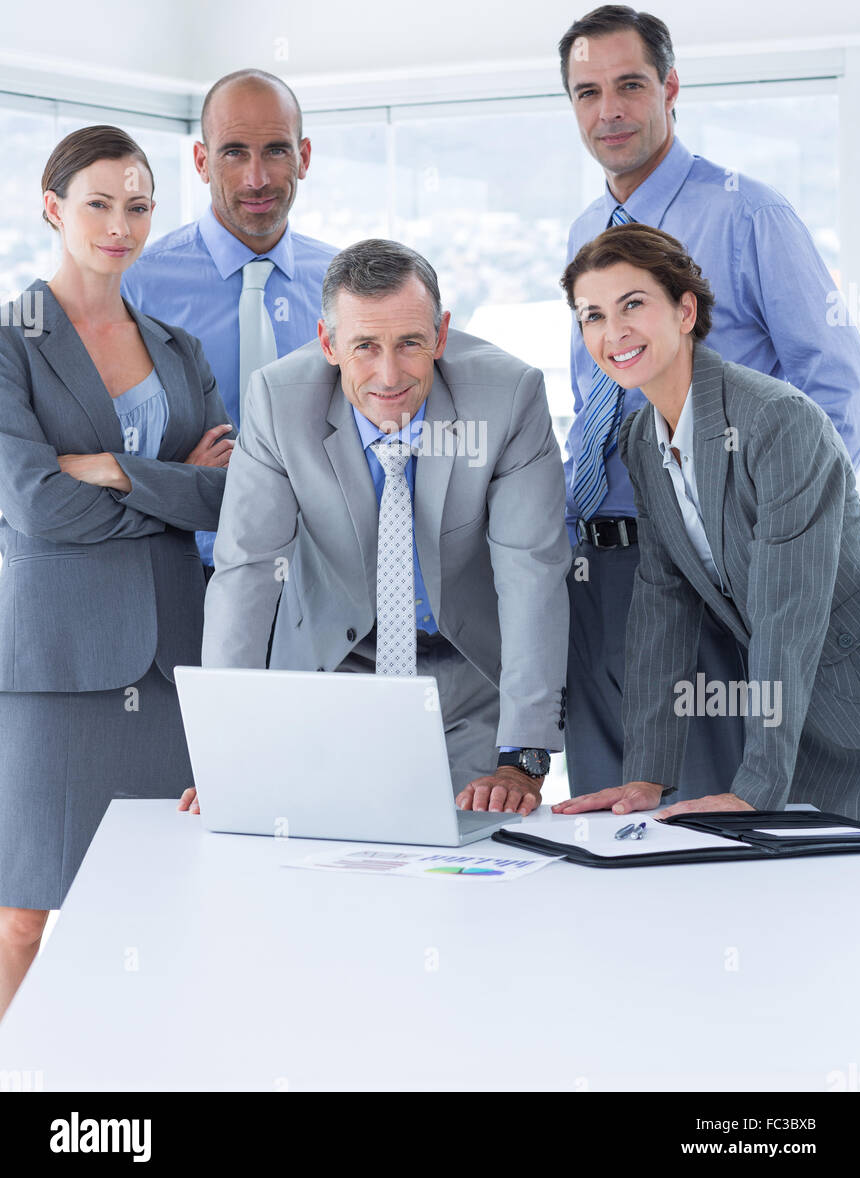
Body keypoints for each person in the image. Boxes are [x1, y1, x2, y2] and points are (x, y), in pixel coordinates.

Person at [558, 3, 860, 799]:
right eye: (588, 92)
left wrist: (777, 538)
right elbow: (596, 390)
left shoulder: (748, 212)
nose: (609, 110)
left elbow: (836, 383)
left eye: (630, 85)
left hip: (738, 569)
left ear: (670, 89)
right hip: (608, 559)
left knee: (732, 810)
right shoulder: (587, 231)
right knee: (622, 809)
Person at [180, 239, 572, 818]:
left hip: (466, 670)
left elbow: (531, 572)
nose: (389, 375)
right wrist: (225, 748)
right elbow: (248, 571)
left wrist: (524, 757)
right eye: (364, 346)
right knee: (311, 850)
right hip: (332, 664)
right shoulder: (279, 401)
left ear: (440, 335)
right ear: (328, 344)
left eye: (410, 343)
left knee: (466, 851)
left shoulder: (508, 398)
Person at [0, 126, 233, 1020]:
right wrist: (169, 485)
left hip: (171, 661)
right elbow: (35, 505)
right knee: (22, 914)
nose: (118, 226)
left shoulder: (177, 348)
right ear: (52, 208)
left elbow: (227, 498)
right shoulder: (12, 342)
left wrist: (103, 467)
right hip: (55, 663)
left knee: (161, 900)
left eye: (137, 207)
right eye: (97, 204)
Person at [553, 222, 860, 822]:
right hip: (793, 719)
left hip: (848, 695)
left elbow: (785, 614)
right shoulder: (641, 438)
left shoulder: (777, 420)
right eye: (592, 315)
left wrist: (757, 787)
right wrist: (646, 775)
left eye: (633, 305)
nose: (613, 332)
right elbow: (663, 600)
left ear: (685, 311)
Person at [122, 68, 336, 568]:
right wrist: (179, 478)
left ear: (304, 157)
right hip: (186, 563)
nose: (256, 179)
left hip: (319, 565)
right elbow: (106, 440)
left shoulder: (344, 284)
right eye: (234, 152)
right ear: (202, 161)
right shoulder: (137, 287)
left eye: (276, 151)